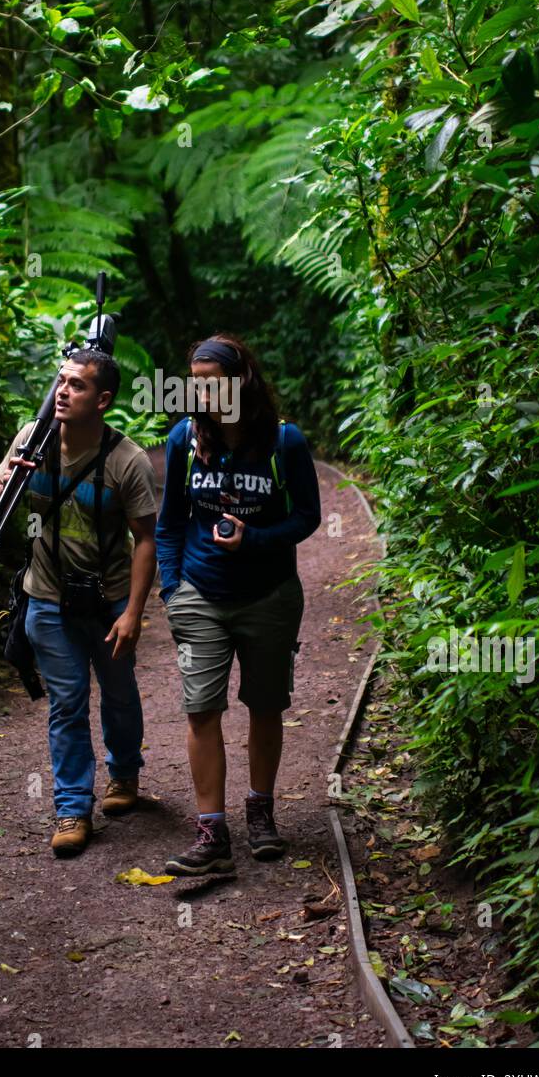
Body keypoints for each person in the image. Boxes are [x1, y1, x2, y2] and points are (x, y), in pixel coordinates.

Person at [155, 333, 321, 874]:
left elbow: (307, 518)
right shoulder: (184, 439)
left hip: (269, 595)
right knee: (201, 708)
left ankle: (261, 812)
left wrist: (256, 539)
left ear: (240, 382)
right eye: (195, 384)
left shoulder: (284, 441)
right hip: (201, 593)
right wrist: (172, 589)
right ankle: (212, 832)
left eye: (213, 383)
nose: (202, 394)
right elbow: (170, 523)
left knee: (265, 704)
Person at [0, 349, 157, 858]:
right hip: (46, 597)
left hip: (107, 601)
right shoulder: (31, 436)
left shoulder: (127, 460)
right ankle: (71, 807)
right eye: (61, 382)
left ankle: (124, 775)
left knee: (120, 694)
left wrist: (133, 611)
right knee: (66, 704)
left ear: (102, 399)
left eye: (77, 386)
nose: (62, 392)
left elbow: (146, 539)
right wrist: (8, 483)